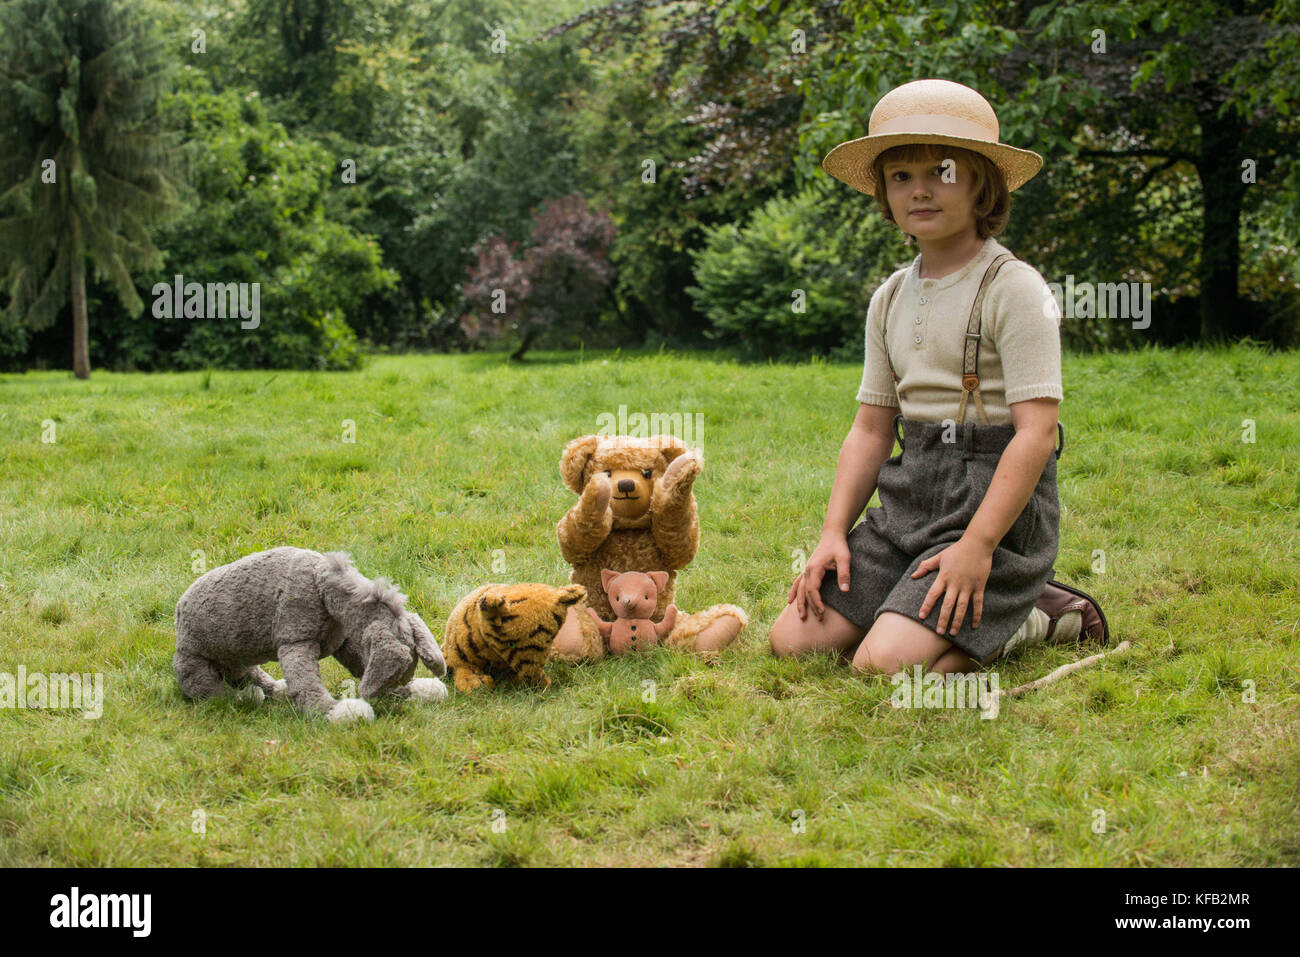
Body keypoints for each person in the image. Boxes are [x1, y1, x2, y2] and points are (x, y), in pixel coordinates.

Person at [769, 79, 1107, 676]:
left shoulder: (1015, 289)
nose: (920, 190)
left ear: (982, 184)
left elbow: (1036, 434)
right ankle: (912, 604)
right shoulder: (891, 297)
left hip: (991, 511)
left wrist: (976, 549)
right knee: (794, 640)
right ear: (885, 193)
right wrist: (833, 533)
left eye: (943, 171)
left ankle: (1038, 612)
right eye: (900, 176)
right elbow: (872, 429)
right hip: (907, 504)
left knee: (879, 664)